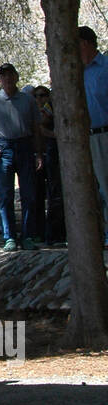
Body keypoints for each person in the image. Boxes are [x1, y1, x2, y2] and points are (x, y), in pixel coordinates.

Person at [0, 63, 42, 251]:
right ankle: (9, 237)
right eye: (3, 76)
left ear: (17, 76)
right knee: (5, 195)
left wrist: (38, 152)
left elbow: (36, 128)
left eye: (11, 75)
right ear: (0, 79)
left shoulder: (27, 100)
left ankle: (27, 236)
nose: (8, 79)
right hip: (4, 148)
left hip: (26, 146)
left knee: (29, 195)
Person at [78, 26, 108, 243]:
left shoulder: (106, 67)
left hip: (104, 134)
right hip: (85, 139)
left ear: (85, 43)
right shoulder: (74, 72)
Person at [34, 86, 65, 246]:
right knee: (55, 193)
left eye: (43, 95)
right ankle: (53, 235)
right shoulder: (50, 106)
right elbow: (41, 126)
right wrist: (57, 135)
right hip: (52, 152)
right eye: (37, 96)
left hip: (60, 152)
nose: (40, 98)